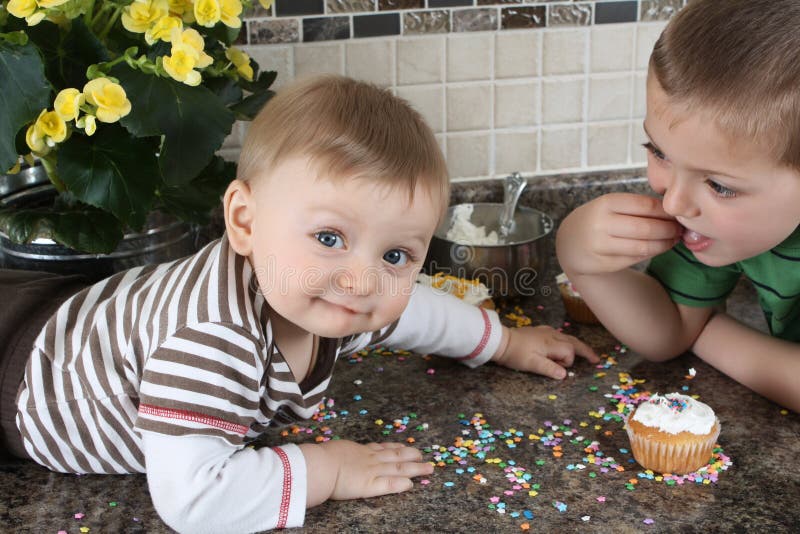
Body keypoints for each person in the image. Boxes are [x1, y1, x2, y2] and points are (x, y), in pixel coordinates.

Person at [0, 75, 598, 532]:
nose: (364, 281)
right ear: (244, 221)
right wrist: (327, 471)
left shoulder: (324, 294)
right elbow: (193, 498)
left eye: (395, 254)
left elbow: (412, 310)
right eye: (329, 238)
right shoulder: (212, 337)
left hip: (69, 315)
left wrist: (505, 341)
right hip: (25, 376)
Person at [556, 0, 800, 413]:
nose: (673, 201)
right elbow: (668, 333)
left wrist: (708, 332)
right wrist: (579, 259)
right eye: (658, 151)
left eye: (720, 186)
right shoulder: (716, 225)